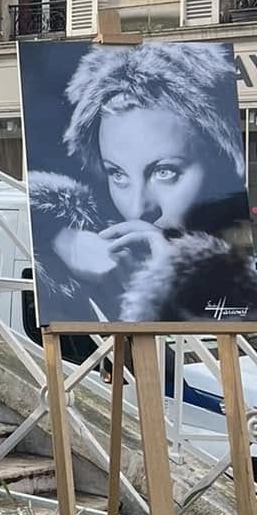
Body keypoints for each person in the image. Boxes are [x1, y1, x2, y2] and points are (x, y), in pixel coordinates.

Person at [27, 42, 257, 325]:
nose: (137, 209)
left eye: (165, 172)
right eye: (118, 174)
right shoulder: (91, 259)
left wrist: (174, 281)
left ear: (223, 161)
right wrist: (58, 238)